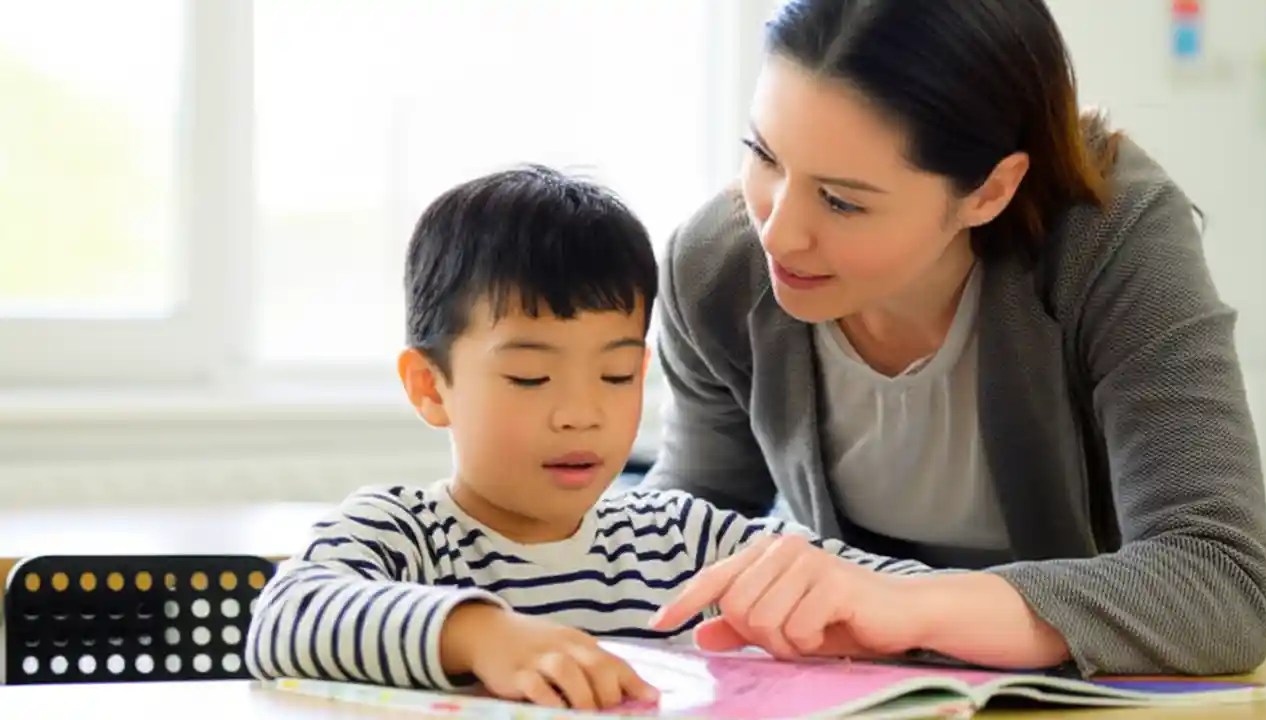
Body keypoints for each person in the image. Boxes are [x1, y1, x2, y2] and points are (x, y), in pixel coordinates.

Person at [645, 0, 1266, 678]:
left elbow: (1221, 580)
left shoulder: (1109, 238)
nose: (777, 232)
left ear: (989, 191)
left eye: (841, 201)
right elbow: (683, 534)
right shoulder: (717, 267)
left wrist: (908, 607)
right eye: (763, 154)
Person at [247, 166, 1005, 712]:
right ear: (428, 386)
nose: (581, 414)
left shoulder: (679, 538)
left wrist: (895, 623)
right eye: (530, 380)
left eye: (615, 378)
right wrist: (484, 638)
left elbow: (888, 591)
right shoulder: (405, 534)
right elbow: (285, 618)